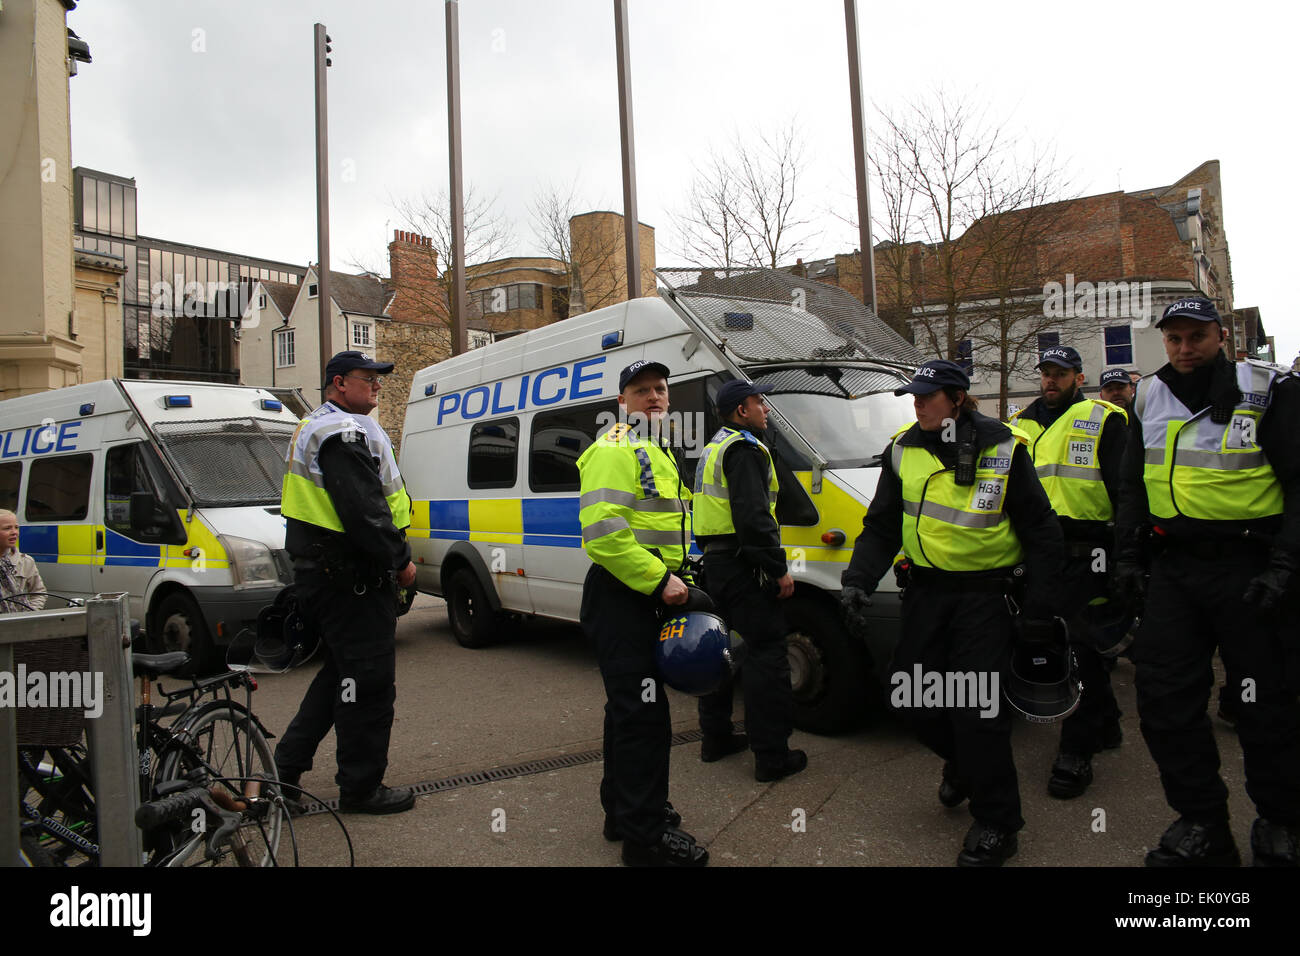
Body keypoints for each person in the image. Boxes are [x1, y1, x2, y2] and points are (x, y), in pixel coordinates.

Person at [841, 359, 1064, 866]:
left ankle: (998, 823)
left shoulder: (1004, 446)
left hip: (985, 598)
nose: (916, 404)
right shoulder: (902, 448)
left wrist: (1041, 611)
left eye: (927, 396)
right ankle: (965, 766)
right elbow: (880, 527)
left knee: (977, 709)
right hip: (926, 595)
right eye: (914, 396)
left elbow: (1042, 533)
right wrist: (856, 582)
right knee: (909, 698)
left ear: (957, 399)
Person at [1115, 297, 1300, 866]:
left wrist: (1285, 566)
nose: (1184, 348)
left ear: (1222, 335)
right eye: (1174, 338)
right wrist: (1126, 559)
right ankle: (1202, 823)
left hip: (1249, 567)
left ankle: (1279, 821)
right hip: (1175, 570)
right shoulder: (1146, 394)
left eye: (1196, 336)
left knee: (1264, 704)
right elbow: (1130, 487)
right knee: (1165, 701)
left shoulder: (1267, 391)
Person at [274, 351, 417, 815]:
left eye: (379, 379)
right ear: (338, 383)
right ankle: (361, 789)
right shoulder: (342, 432)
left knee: (341, 677)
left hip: (331, 577)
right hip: (350, 578)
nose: (377, 386)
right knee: (369, 685)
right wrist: (400, 560)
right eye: (367, 378)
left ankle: (285, 771)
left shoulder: (325, 425)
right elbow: (364, 511)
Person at [578, 359, 706, 866]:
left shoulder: (657, 448)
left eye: (659, 389)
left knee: (629, 714)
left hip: (646, 592)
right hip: (626, 595)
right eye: (640, 390)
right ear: (621, 402)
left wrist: (684, 572)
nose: (653, 397)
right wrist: (660, 581)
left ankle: (625, 813)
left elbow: (661, 528)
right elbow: (603, 533)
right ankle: (645, 840)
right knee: (643, 719)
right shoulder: (614, 448)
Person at [1009, 346, 1127, 799]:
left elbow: (1123, 491)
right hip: (1037, 553)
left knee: (1080, 645)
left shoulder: (1104, 419)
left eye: (1061, 374)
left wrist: (1124, 557)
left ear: (1079, 377)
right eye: (1046, 373)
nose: (1051, 380)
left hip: (1087, 551)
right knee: (1060, 643)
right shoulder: (1019, 424)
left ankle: (1076, 751)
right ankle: (1108, 722)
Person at [693, 379, 806, 782]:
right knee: (767, 655)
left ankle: (716, 738)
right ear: (742, 410)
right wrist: (777, 568)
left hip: (717, 565)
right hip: (743, 566)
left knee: (721, 652)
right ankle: (772, 756)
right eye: (760, 402)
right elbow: (754, 517)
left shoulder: (715, 446)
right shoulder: (744, 449)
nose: (766, 409)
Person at [0, 509, 46, 613]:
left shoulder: (26, 561)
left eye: (16, 527)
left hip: (19, 625)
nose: (14, 532)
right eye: (7, 528)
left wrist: (29, 614)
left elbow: (39, 592)